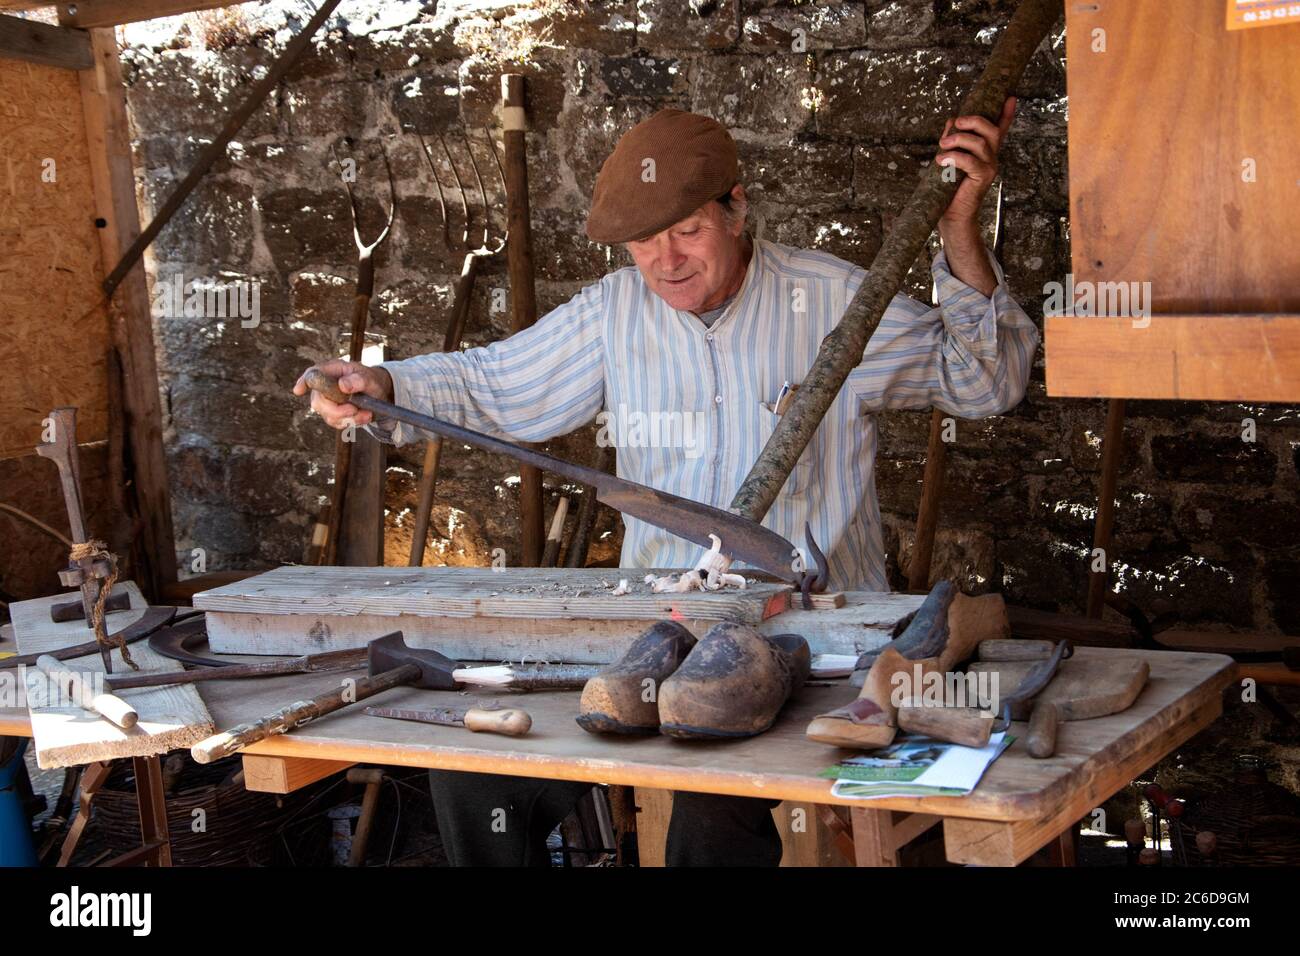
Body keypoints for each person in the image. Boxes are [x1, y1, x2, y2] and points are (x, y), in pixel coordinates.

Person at [294, 103, 1039, 866]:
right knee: (475, 781)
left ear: (738, 210)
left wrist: (958, 232)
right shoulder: (613, 314)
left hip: (814, 639)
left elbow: (988, 380)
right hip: (657, 630)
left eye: (687, 231)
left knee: (708, 800)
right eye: (644, 243)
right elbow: (493, 384)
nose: (667, 261)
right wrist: (381, 383)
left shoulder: (833, 300)